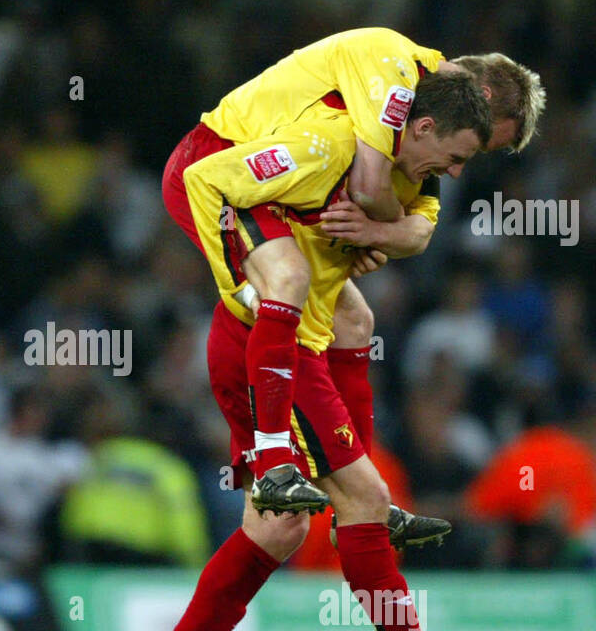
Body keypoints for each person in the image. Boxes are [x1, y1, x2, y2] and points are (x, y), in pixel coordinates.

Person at [131, 72, 521, 631]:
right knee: (361, 500)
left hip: (283, 346)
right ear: (421, 128)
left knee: (277, 526)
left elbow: (407, 241)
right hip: (270, 343)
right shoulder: (326, 144)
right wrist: (247, 283)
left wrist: (374, 239)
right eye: (454, 157)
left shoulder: (400, 183)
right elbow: (208, 178)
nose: (453, 173)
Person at [165, 27, 543, 518]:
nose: (460, 168)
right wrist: (375, 230)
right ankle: (278, 459)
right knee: (287, 283)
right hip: (226, 164)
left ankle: (353, 476)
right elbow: (369, 189)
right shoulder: (395, 70)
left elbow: (417, 234)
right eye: (477, 147)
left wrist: (374, 235)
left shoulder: (421, 116)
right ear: (480, 98)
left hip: (278, 191)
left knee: (356, 320)